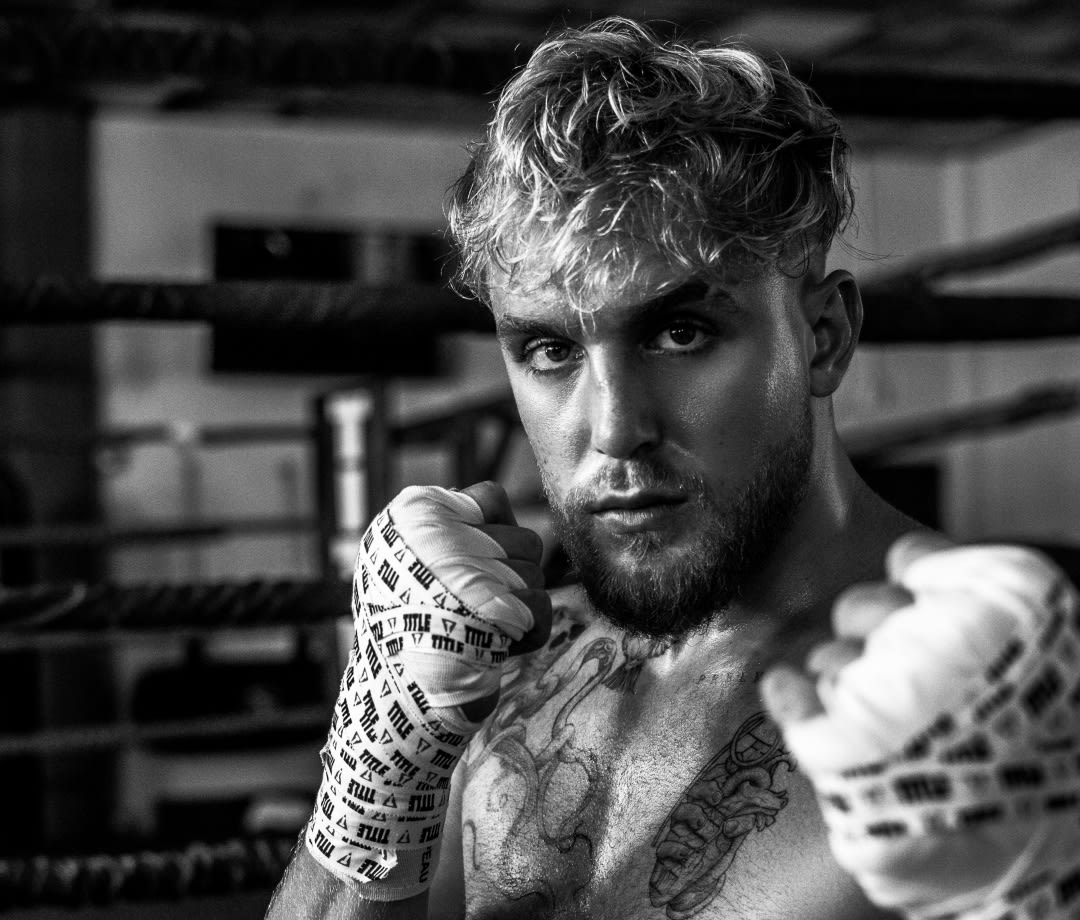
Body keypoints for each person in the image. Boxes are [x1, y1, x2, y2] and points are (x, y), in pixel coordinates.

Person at [266, 17, 1080, 920]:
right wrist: (373, 778)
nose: (614, 430)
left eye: (680, 332)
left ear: (823, 336)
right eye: (549, 349)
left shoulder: (988, 708)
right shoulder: (505, 681)